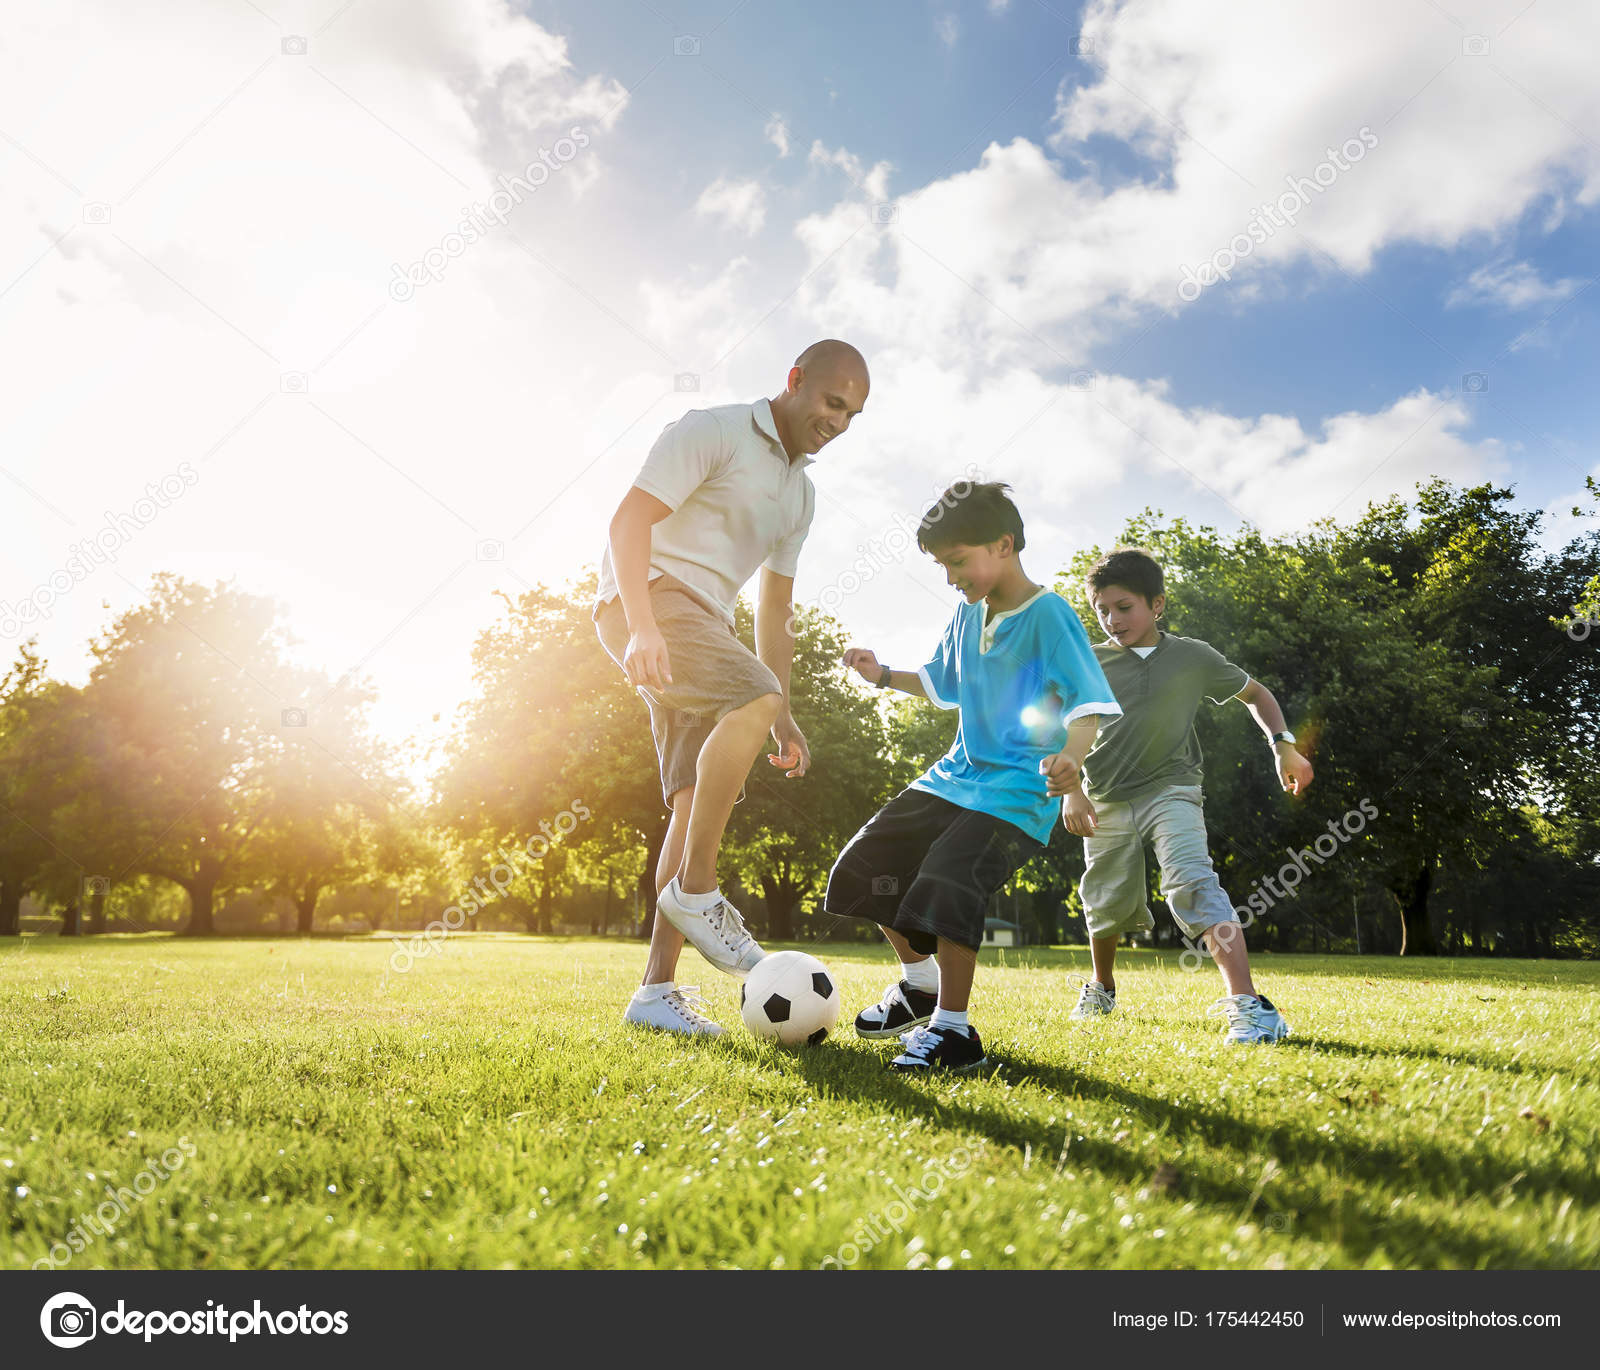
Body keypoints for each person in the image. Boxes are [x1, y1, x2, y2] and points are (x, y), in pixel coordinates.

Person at [594, 341, 870, 1035]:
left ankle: (655, 995)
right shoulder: (712, 430)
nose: (838, 422)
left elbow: (774, 612)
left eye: (853, 414)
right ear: (795, 381)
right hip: (652, 601)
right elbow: (628, 522)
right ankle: (697, 890)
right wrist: (643, 626)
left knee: (690, 803)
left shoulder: (799, 496)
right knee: (751, 697)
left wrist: (784, 714)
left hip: (706, 626)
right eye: (833, 402)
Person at [826, 482, 1123, 1073]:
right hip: (954, 776)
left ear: (1004, 545)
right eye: (942, 565)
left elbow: (1088, 701)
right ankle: (920, 984)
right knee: (864, 864)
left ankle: (954, 1032)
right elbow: (945, 683)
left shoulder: (1050, 616)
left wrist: (1073, 757)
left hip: (1015, 790)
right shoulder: (967, 612)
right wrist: (882, 674)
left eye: (957, 561)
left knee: (948, 876)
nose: (950, 576)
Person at [1054, 547, 1314, 1044]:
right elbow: (1066, 729)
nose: (1112, 620)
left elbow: (1257, 694)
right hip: (1104, 797)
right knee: (1105, 899)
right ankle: (1101, 987)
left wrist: (1283, 747)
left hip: (1172, 789)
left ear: (1157, 605)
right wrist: (1072, 792)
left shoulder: (1193, 656)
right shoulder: (1089, 663)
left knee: (1192, 882)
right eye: (1102, 610)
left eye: (1124, 607)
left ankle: (1250, 1007)